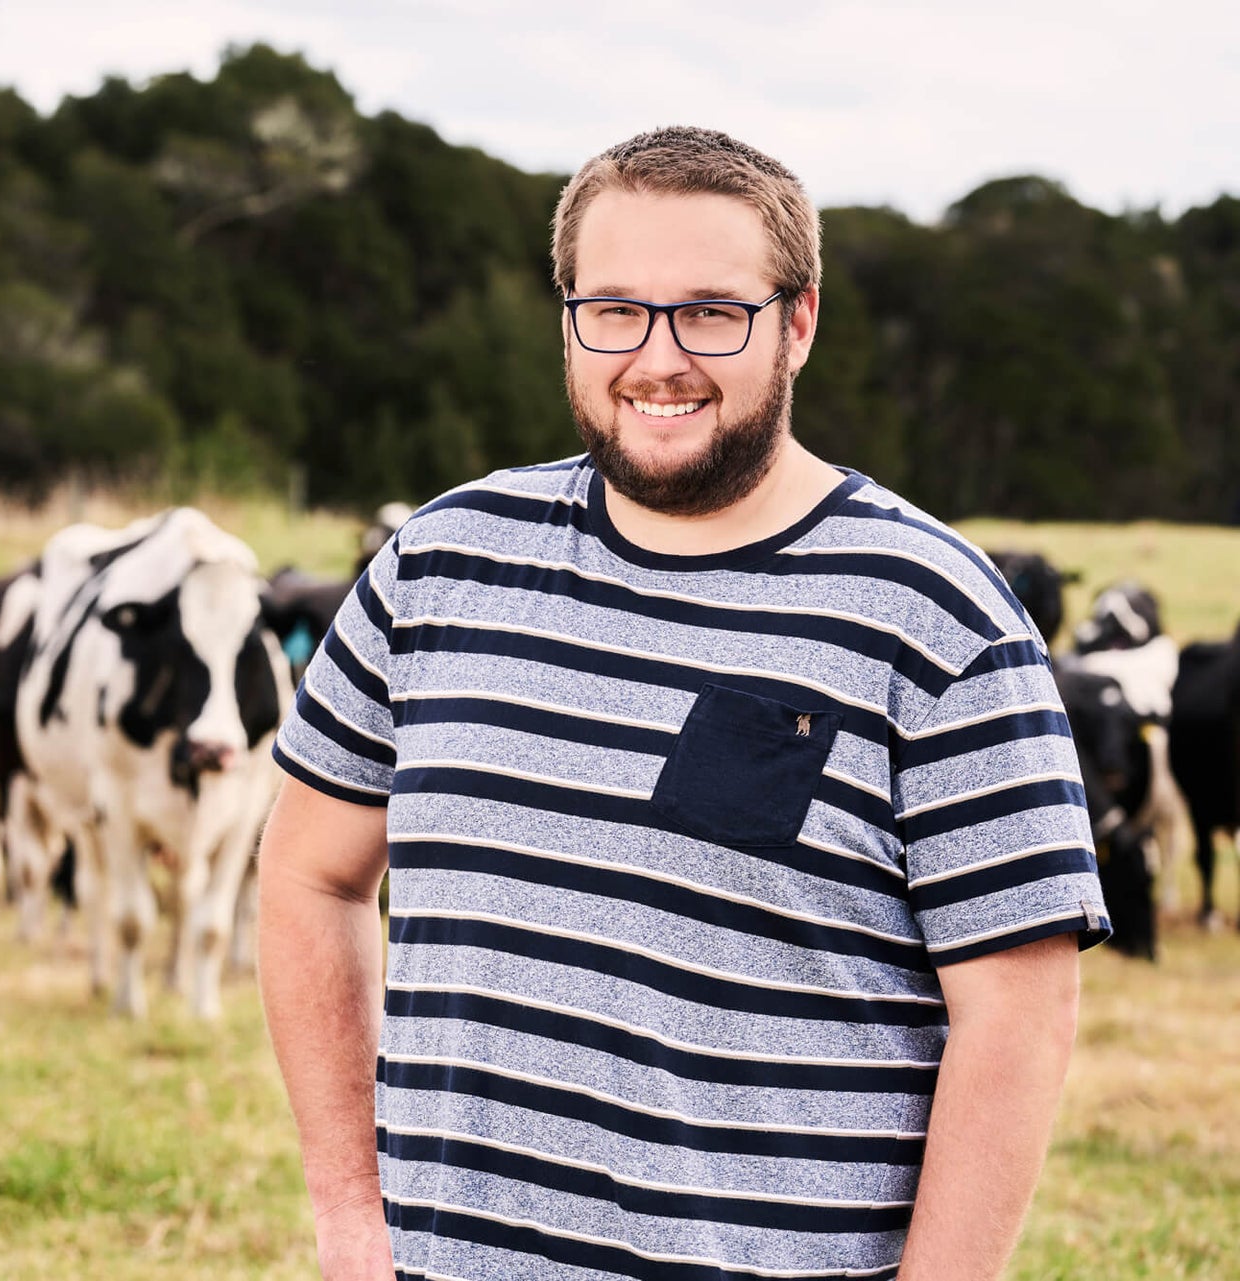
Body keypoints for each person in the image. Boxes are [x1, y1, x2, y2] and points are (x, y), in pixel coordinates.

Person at [258, 125, 1109, 1281]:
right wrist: (353, 1212)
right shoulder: (438, 567)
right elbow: (309, 874)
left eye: (712, 311)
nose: (657, 359)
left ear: (798, 322)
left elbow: (1018, 1015)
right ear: (568, 316)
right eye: (613, 309)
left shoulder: (936, 618)